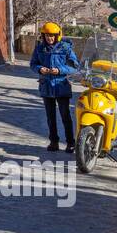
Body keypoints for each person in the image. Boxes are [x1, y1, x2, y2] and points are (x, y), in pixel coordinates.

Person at [30, 21, 79, 153]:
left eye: (52, 36)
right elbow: (33, 64)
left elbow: (74, 67)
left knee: (65, 116)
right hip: (46, 87)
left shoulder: (66, 48)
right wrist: (40, 69)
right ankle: (54, 142)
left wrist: (60, 70)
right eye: (47, 36)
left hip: (62, 86)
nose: (49, 38)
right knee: (50, 117)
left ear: (57, 35)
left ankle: (70, 143)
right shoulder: (40, 48)